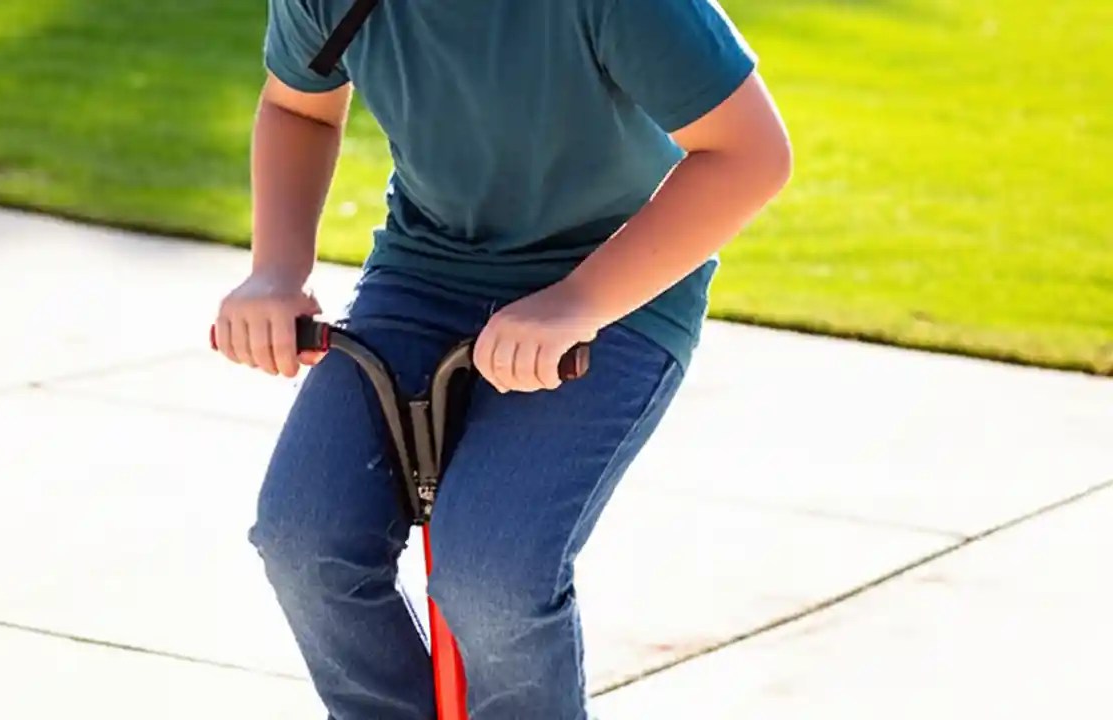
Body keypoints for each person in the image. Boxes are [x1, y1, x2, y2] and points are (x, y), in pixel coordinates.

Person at [214, 0, 791, 717]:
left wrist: (578, 302)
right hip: (426, 274)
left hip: (616, 282)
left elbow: (751, 153)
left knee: (493, 578)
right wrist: (275, 271)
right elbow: (298, 108)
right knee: (305, 538)